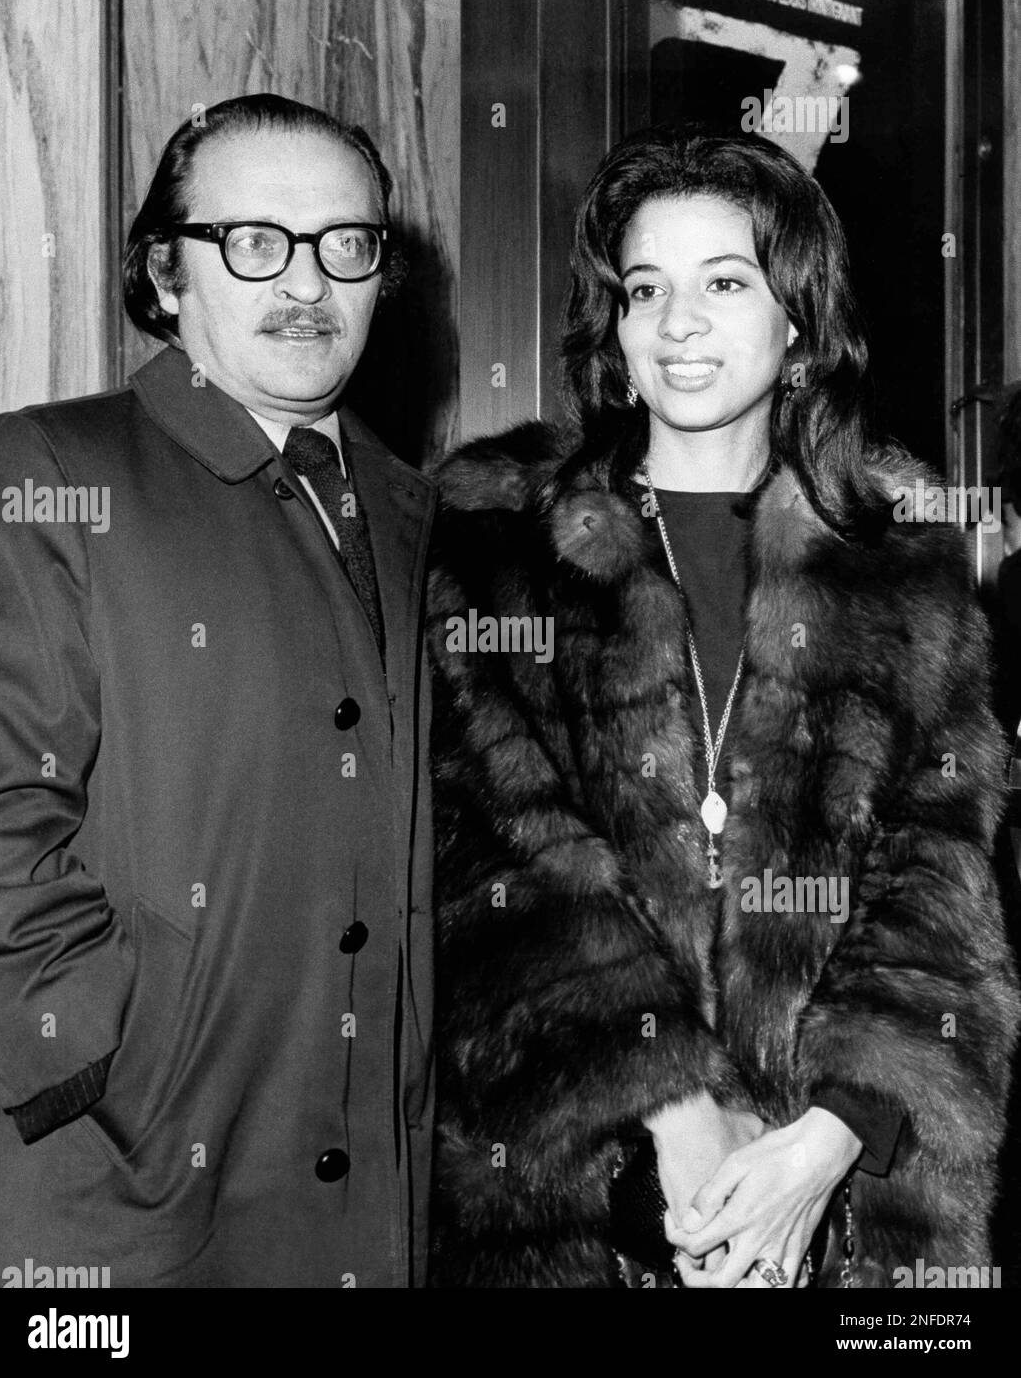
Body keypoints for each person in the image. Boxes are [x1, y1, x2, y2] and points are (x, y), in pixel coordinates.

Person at [426, 125, 1019, 1288]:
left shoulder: (896, 563)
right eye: (644, 288)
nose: (676, 324)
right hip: (573, 1190)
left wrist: (829, 1133)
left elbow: (938, 893)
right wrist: (678, 1112)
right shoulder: (499, 539)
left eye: (724, 282)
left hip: (845, 1199)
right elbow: (494, 867)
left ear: (796, 318)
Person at [0, 94, 435, 1287]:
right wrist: (107, 1064)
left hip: (377, 1202)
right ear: (165, 276)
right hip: (119, 1202)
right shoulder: (49, 469)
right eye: (252, 242)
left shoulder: (418, 514)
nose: (306, 284)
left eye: (347, 245)